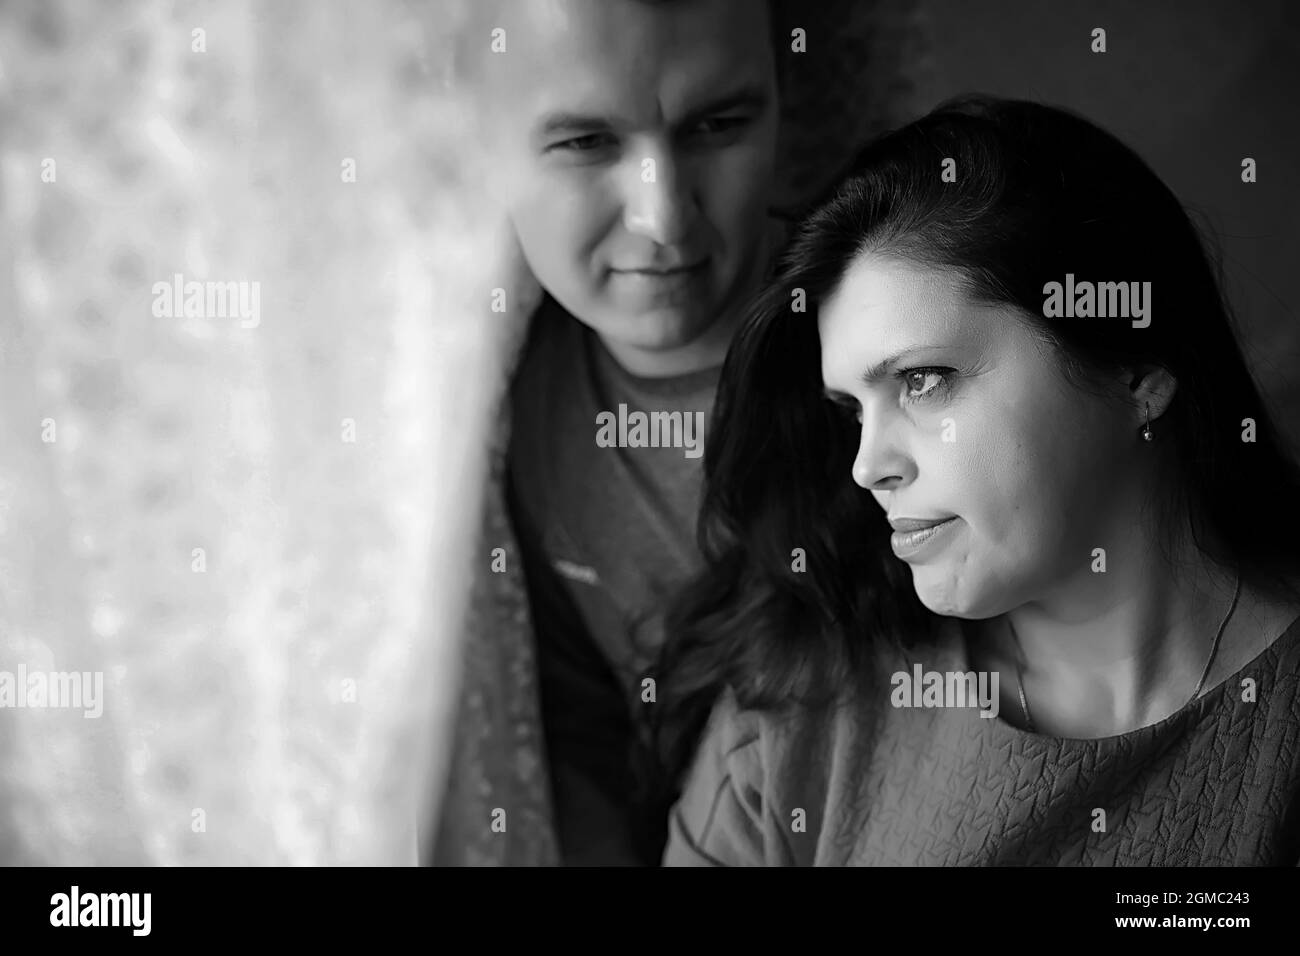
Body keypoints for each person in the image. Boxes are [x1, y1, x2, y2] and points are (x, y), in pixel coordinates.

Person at [654, 94, 1300, 866]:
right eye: (850, 410)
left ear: (1136, 373)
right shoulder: (799, 702)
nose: (867, 466)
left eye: (924, 381)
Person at [429, 0, 925, 866]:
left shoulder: (897, 335)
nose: (664, 217)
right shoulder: (495, 408)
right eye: (584, 142)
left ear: (781, 102)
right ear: (477, 150)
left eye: (719, 125)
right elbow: (581, 740)